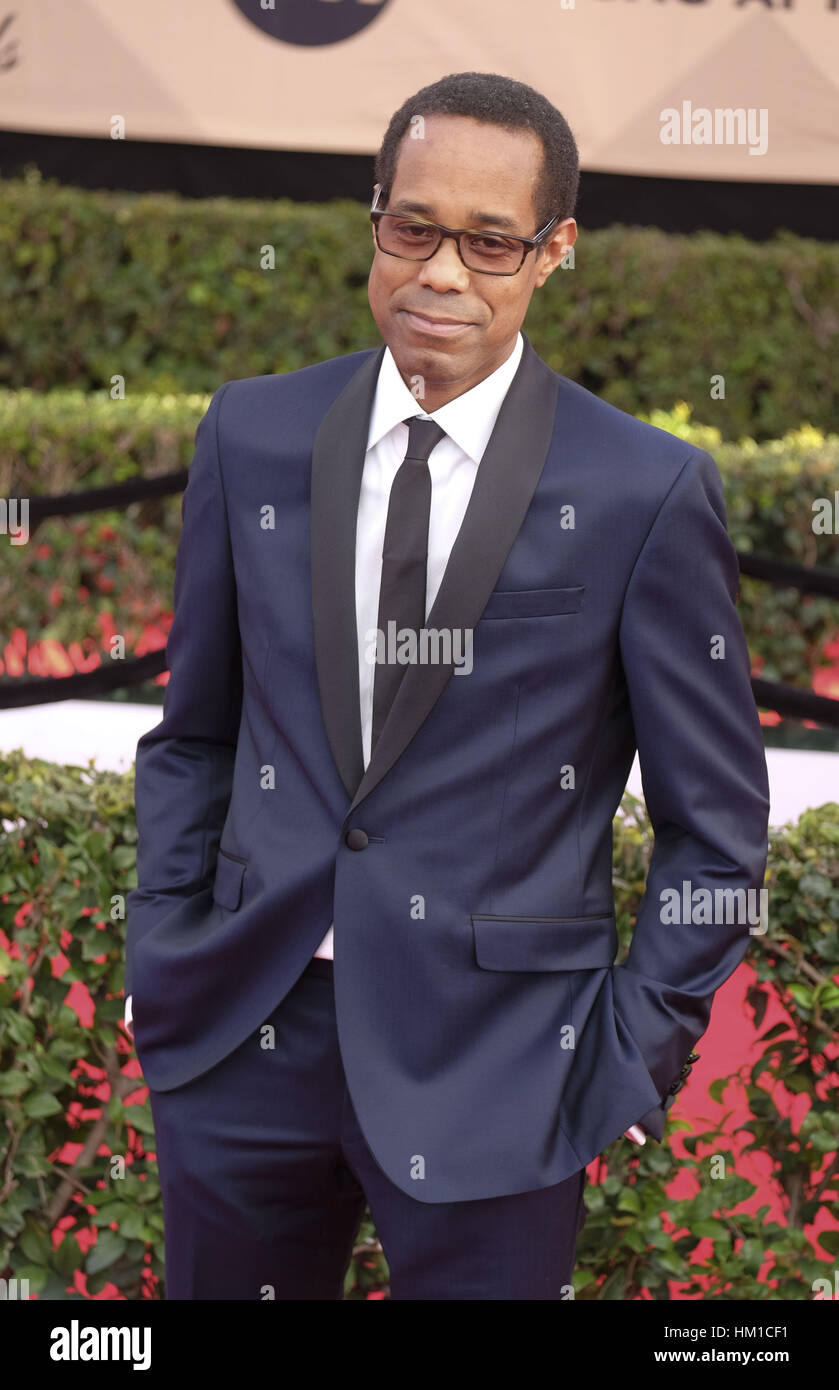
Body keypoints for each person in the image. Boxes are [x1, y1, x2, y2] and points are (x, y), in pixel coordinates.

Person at [124, 71, 770, 1300]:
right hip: (240, 1037)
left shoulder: (642, 491)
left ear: (552, 251)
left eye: (488, 241)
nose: (439, 273)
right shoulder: (251, 434)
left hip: (505, 1069)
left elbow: (716, 829)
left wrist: (629, 1053)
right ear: (374, 216)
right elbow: (194, 735)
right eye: (411, 227)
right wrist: (164, 949)